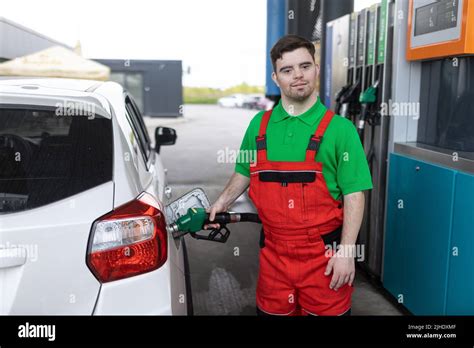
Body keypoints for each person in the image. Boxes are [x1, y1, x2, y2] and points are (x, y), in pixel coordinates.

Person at [205, 35, 373, 316]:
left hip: (325, 258)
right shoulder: (259, 125)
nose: (298, 76)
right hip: (273, 255)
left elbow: (355, 193)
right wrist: (222, 202)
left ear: (316, 69)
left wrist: (346, 252)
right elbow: (245, 171)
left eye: (305, 66)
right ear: (275, 77)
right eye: (287, 70)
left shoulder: (340, 130)